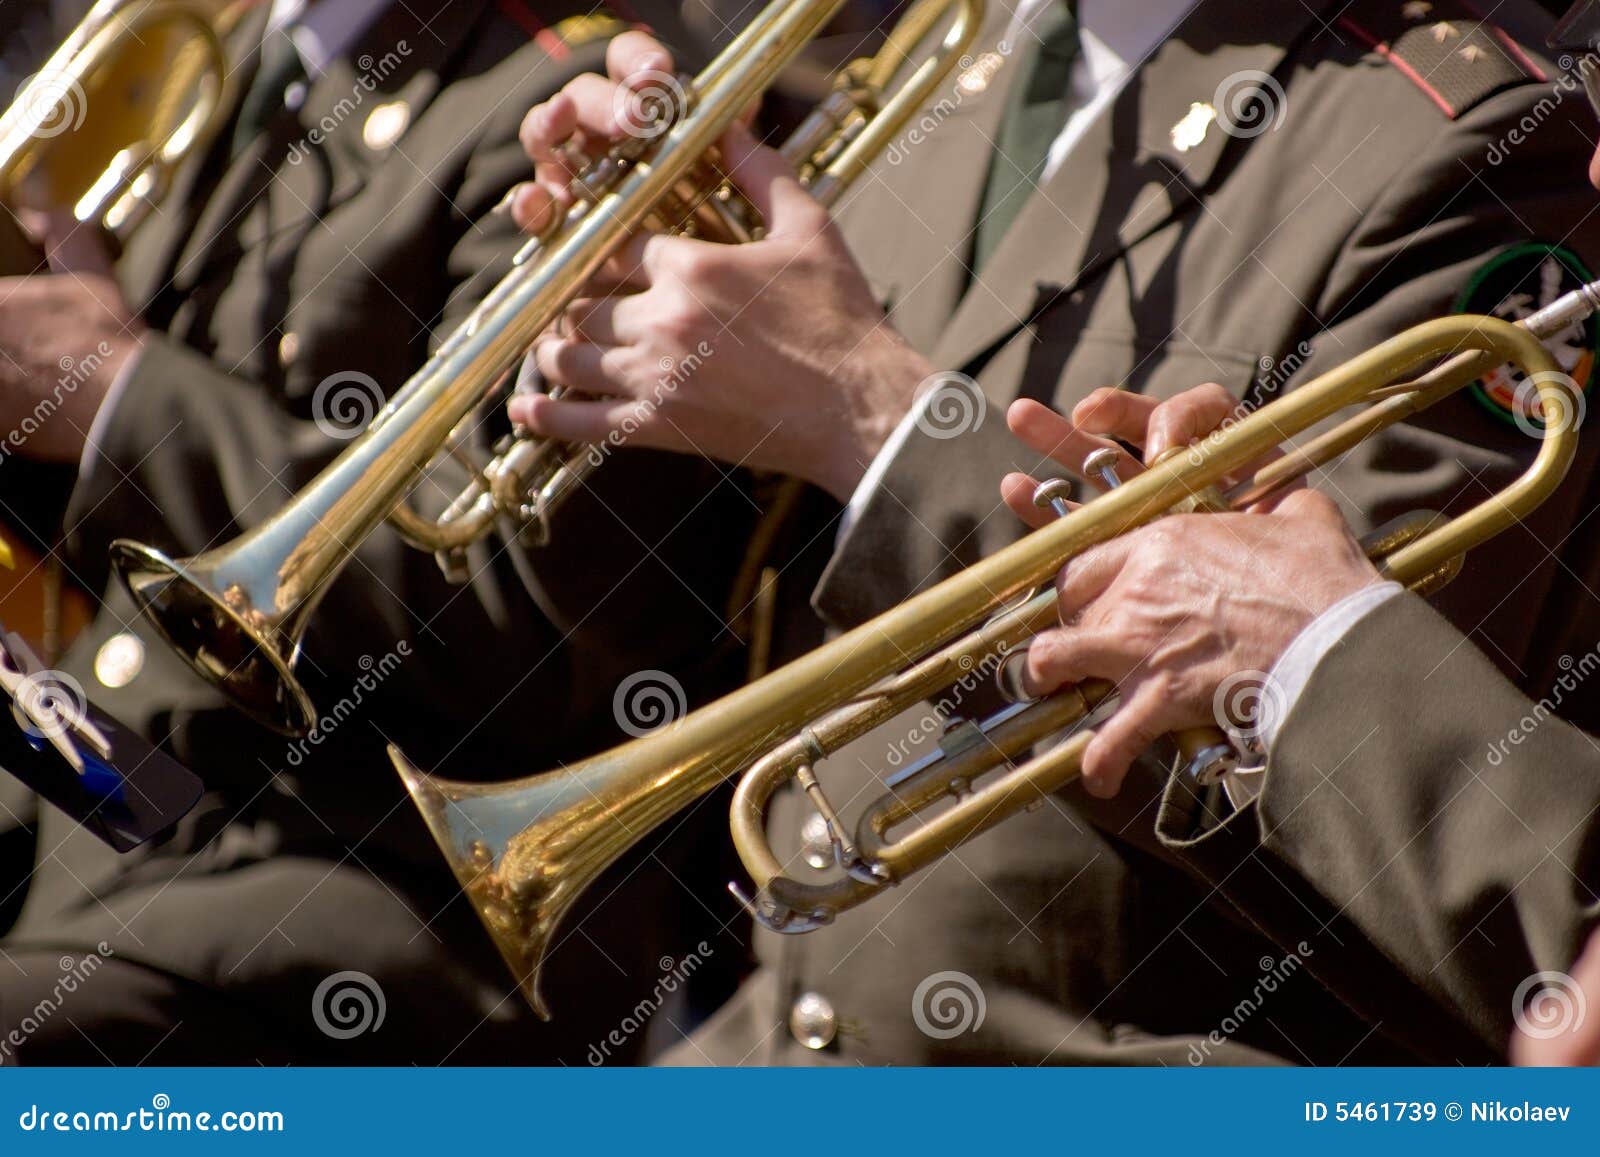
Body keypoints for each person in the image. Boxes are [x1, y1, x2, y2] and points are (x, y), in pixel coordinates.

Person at [508, 0, 1600, 1064]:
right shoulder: (949, 47)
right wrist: (617, 333)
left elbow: (1354, 800)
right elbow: (638, 630)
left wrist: (874, 413)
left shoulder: (1469, 135)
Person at [0, 0, 796, 1064]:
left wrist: (121, 397)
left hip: (356, 901)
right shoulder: (239, 55)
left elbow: (529, 633)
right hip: (124, 807)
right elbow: (141, 572)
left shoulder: (576, 94)